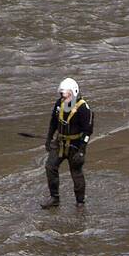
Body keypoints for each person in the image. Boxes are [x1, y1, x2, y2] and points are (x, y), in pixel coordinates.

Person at [42, 77, 93, 209]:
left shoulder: (83, 109)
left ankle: (80, 202)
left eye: (66, 95)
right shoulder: (59, 104)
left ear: (74, 92)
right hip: (59, 143)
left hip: (75, 145)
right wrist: (48, 139)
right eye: (62, 95)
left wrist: (82, 150)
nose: (64, 97)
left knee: (76, 172)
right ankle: (54, 198)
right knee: (50, 167)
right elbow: (53, 122)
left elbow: (88, 131)